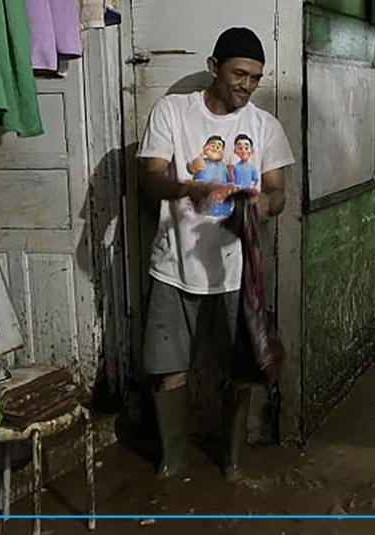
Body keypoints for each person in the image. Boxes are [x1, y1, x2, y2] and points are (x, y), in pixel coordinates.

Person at [137, 27, 295, 481]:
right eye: (239, 73)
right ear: (214, 68)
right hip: (174, 262)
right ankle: (172, 461)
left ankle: (232, 462)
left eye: (255, 78)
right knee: (168, 369)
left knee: (242, 369)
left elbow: (280, 191)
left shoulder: (265, 126)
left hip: (236, 270)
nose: (247, 85)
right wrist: (190, 188)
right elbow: (149, 178)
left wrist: (263, 204)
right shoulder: (172, 112)